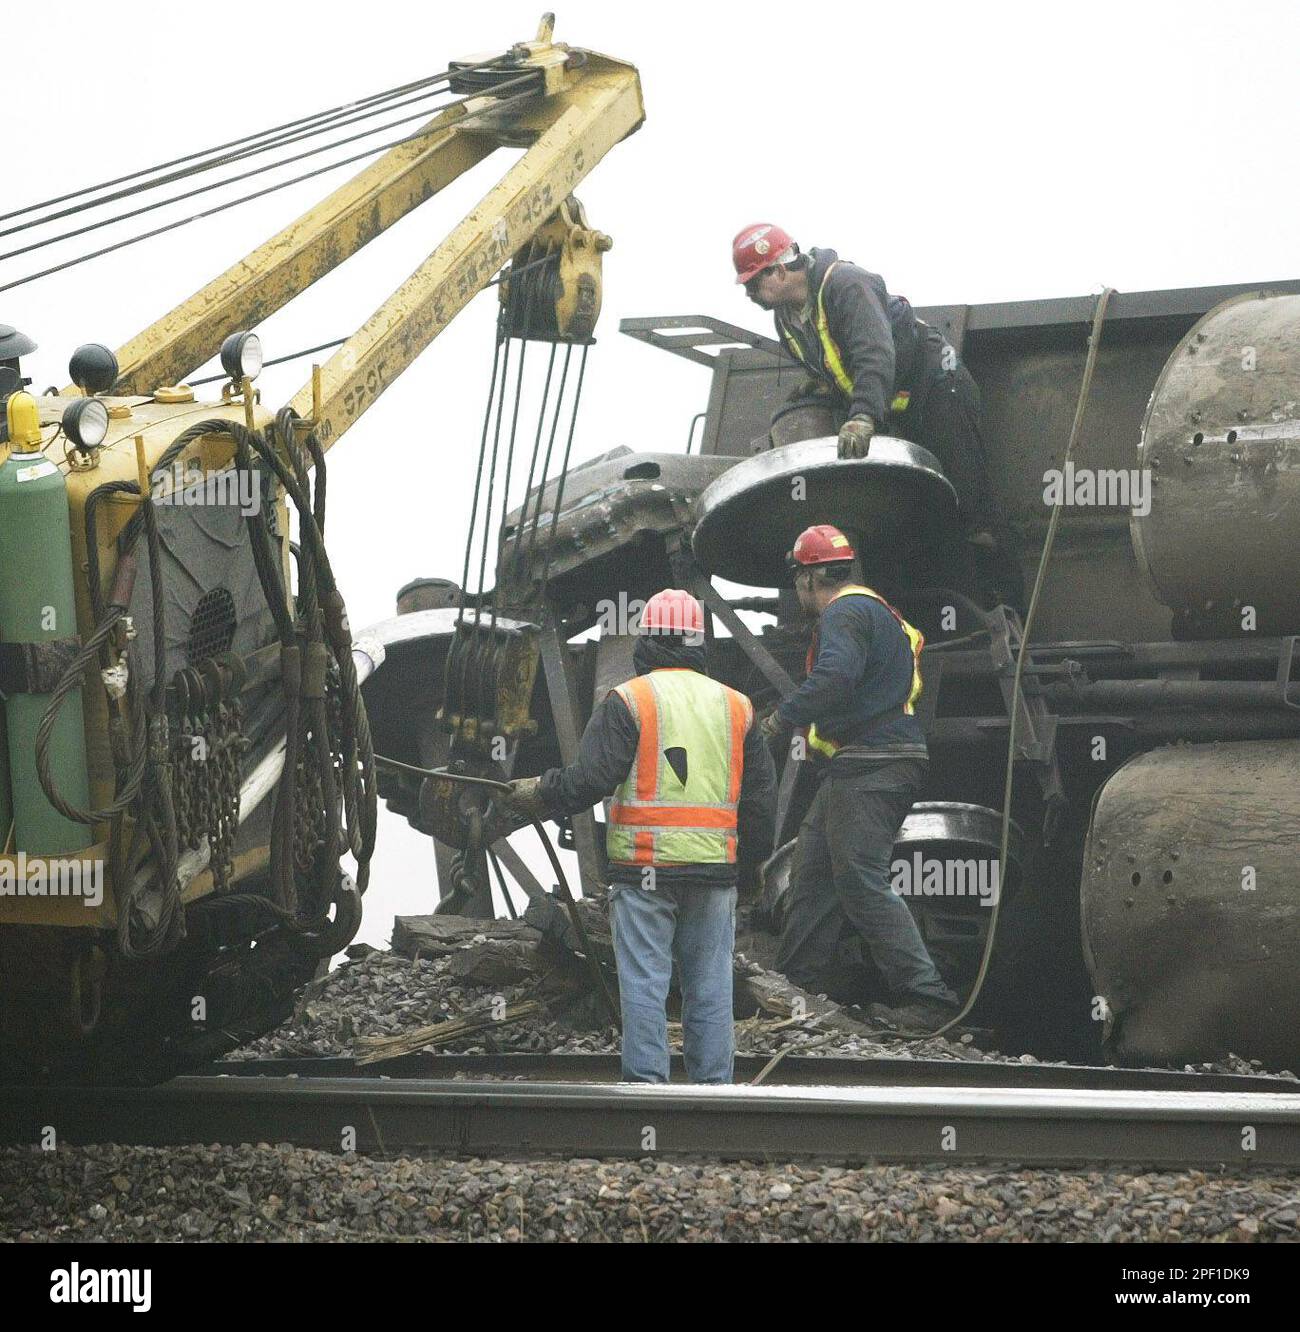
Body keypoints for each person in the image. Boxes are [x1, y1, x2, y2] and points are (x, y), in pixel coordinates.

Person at [492, 589, 776, 1083]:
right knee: (709, 985)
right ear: (697, 643)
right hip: (713, 872)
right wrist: (750, 864)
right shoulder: (738, 708)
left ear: (647, 641)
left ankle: (647, 1089)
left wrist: (541, 791)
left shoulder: (629, 700)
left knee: (645, 982)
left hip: (644, 871)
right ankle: (714, 1090)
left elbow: (592, 779)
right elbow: (759, 805)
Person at [732, 223, 1024, 612]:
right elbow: (837, 360)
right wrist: (827, 387)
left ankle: (1009, 606)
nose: (750, 294)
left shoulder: (846, 285)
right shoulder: (787, 318)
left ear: (779, 270)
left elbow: (874, 353)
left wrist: (863, 416)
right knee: (924, 514)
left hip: (936, 387)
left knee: (970, 504)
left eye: (753, 283)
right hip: (894, 402)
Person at [760, 523, 959, 1030]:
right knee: (815, 872)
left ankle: (928, 999)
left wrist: (781, 720)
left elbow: (835, 677)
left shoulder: (845, 611)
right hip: (859, 764)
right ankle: (792, 987)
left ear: (808, 579)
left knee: (858, 877)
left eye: (797, 581)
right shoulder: (874, 609)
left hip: (874, 764)